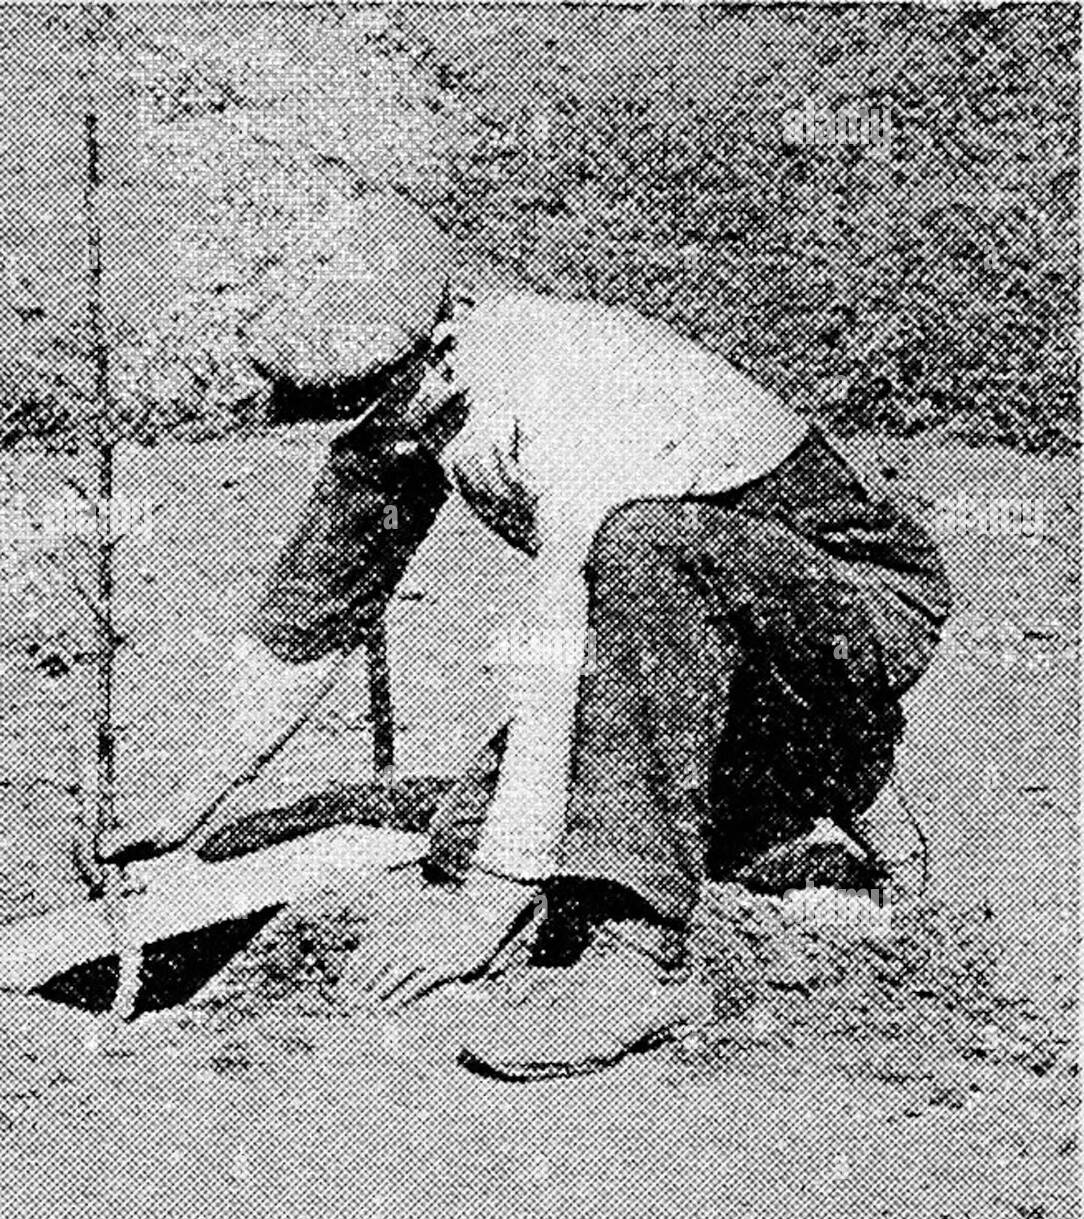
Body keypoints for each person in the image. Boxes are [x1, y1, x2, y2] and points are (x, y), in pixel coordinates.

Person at [114, 191, 951, 1079]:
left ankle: (646, 957)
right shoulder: (410, 403)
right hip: (687, 639)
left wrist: (486, 908)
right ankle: (807, 781)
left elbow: (565, 653)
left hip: (852, 608)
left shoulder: (562, 397)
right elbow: (304, 631)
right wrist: (170, 807)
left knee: (640, 551)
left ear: (435, 356)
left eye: (362, 407)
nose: (354, 435)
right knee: (464, 831)